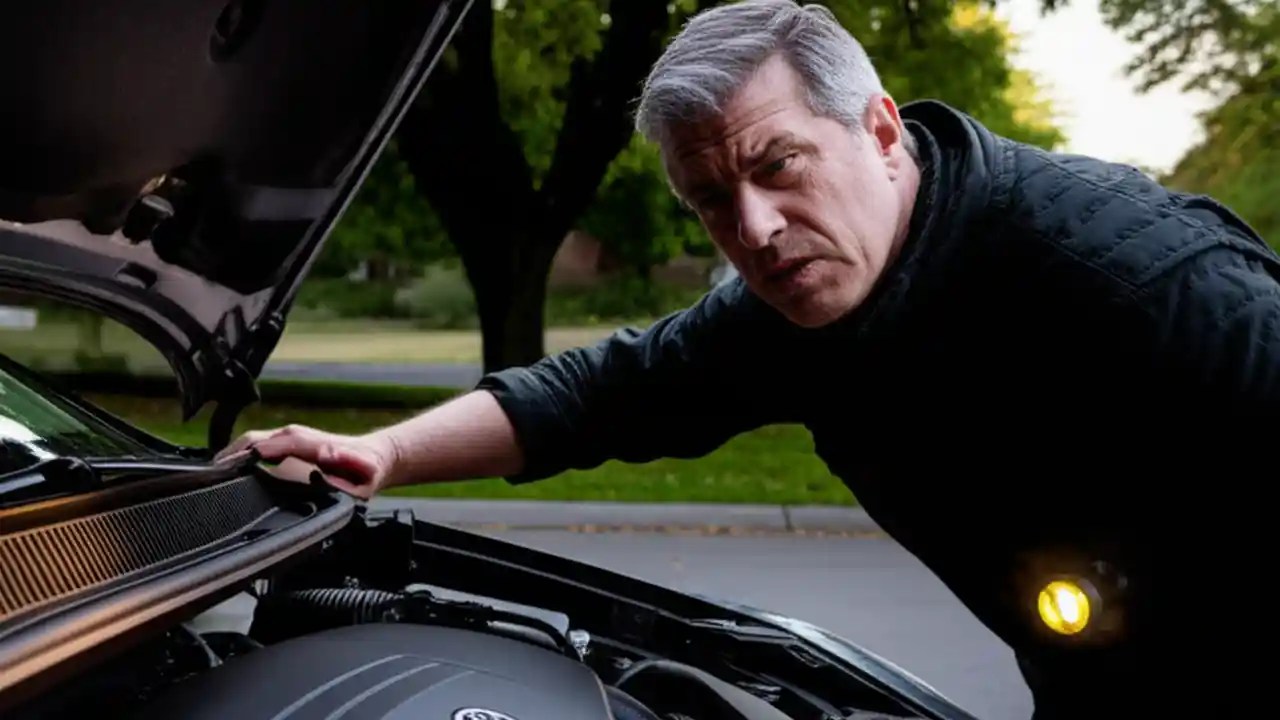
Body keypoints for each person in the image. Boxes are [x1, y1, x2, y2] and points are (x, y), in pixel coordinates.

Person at [220, 1, 1277, 716]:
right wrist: (383, 454)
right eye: (711, 200)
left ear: (879, 131)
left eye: (779, 166)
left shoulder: (1140, 281)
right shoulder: (799, 308)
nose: (755, 229)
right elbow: (600, 393)